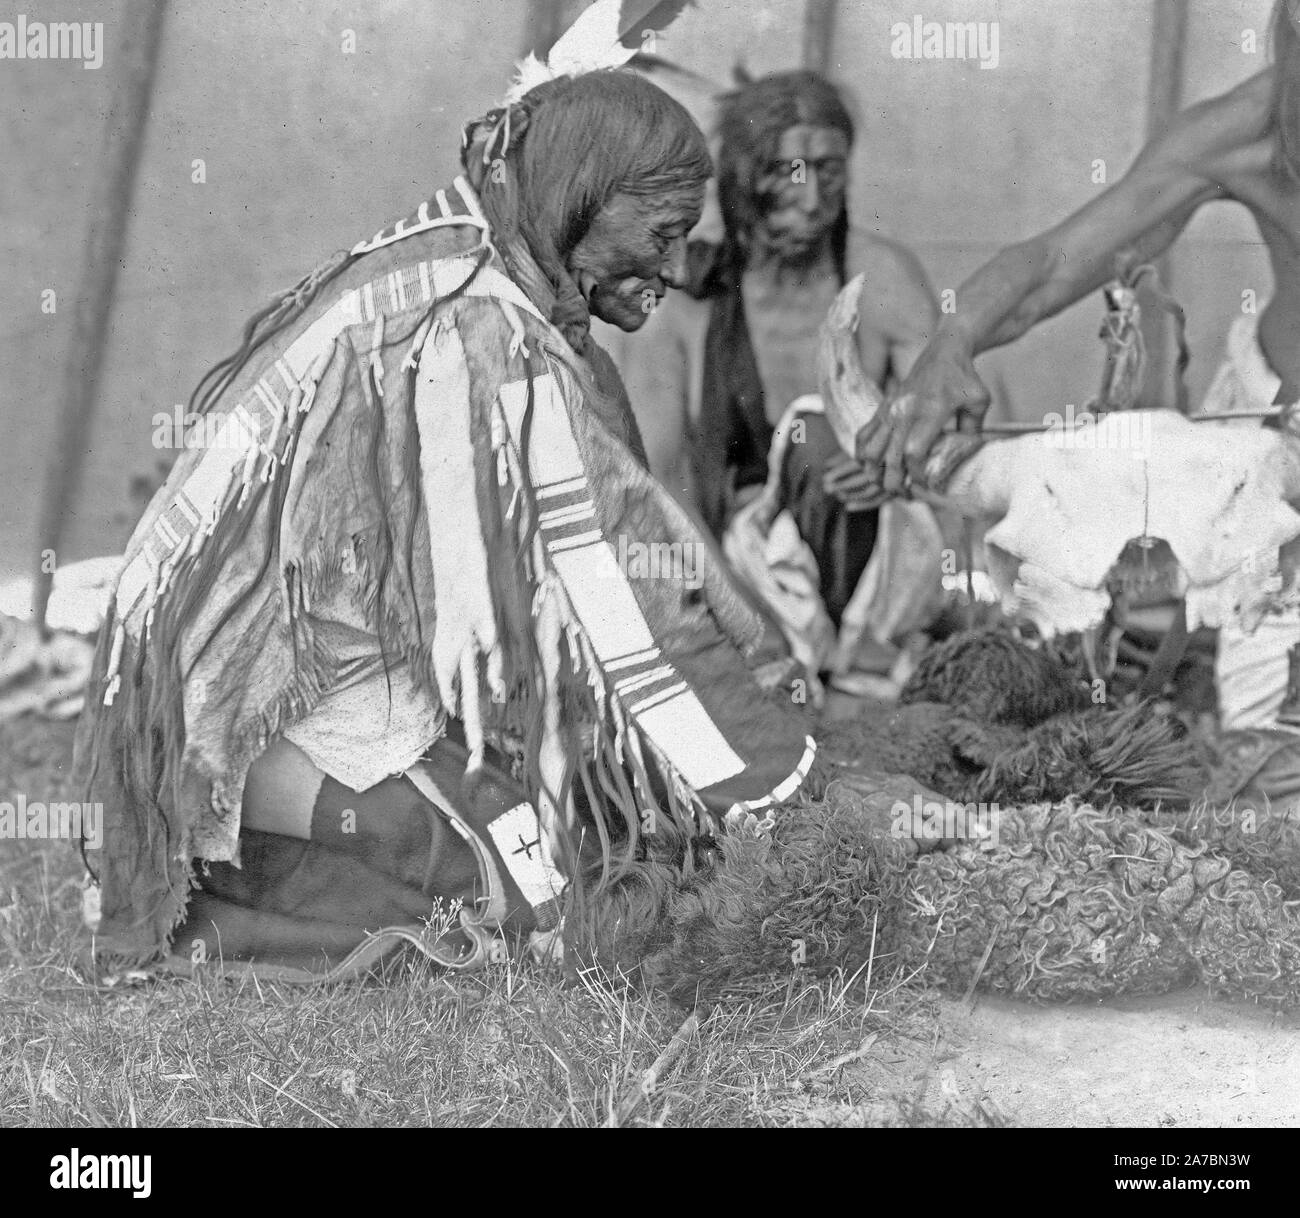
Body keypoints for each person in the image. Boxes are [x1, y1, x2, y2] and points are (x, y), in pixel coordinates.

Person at [74, 68, 817, 981]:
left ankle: (267, 854)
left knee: (582, 817)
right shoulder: (473, 321)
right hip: (224, 706)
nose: (669, 268)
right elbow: (608, 589)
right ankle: (207, 881)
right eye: (660, 234)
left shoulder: (484, 253)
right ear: (581, 196)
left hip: (314, 666)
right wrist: (775, 777)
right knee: (531, 874)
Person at [871, 1, 1300, 734]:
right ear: (1286, 43)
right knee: (1247, 725)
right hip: (1269, 433)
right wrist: (953, 341)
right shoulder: (1237, 132)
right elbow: (1052, 264)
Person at [609, 69, 943, 690]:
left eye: (830, 170)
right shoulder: (683, 297)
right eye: (789, 172)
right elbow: (658, 485)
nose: (813, 199)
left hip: (868, 578)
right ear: (740, 175)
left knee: (818, 438)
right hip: (727, 568)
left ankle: (851, 657)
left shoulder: (883, 277)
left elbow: (948, 424)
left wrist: (895, 463)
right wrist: (743, 621)